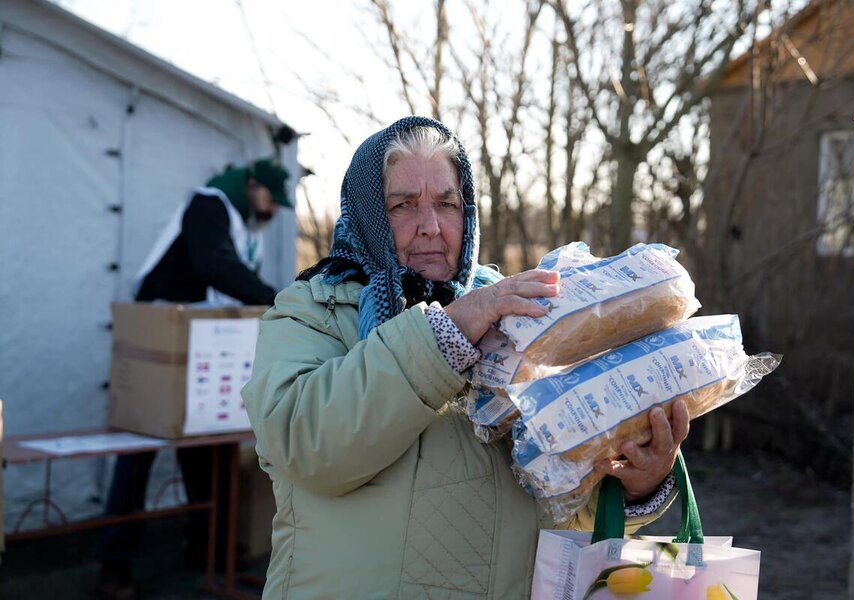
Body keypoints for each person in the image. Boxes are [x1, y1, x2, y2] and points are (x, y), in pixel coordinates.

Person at [241, 117, 690, 599]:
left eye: (446, 204)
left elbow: (560, 502)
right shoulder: (314, 310)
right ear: (369, 214)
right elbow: (306, 447)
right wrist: (449, 332)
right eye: (403, 205)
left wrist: (635, 484)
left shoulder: (519, 316)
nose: (430, 226)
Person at [98, 159, 293, 599]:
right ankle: (114, 565)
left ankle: (209, 553)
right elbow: (215, 264)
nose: (272, 211)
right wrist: (276, 299)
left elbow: (231, 275)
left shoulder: (242, 226)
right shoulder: (209, 203)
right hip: (161, 330)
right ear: (252, 185)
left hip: (198, 343)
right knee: (138, 450)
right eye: (270, 199)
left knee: (207, 452)